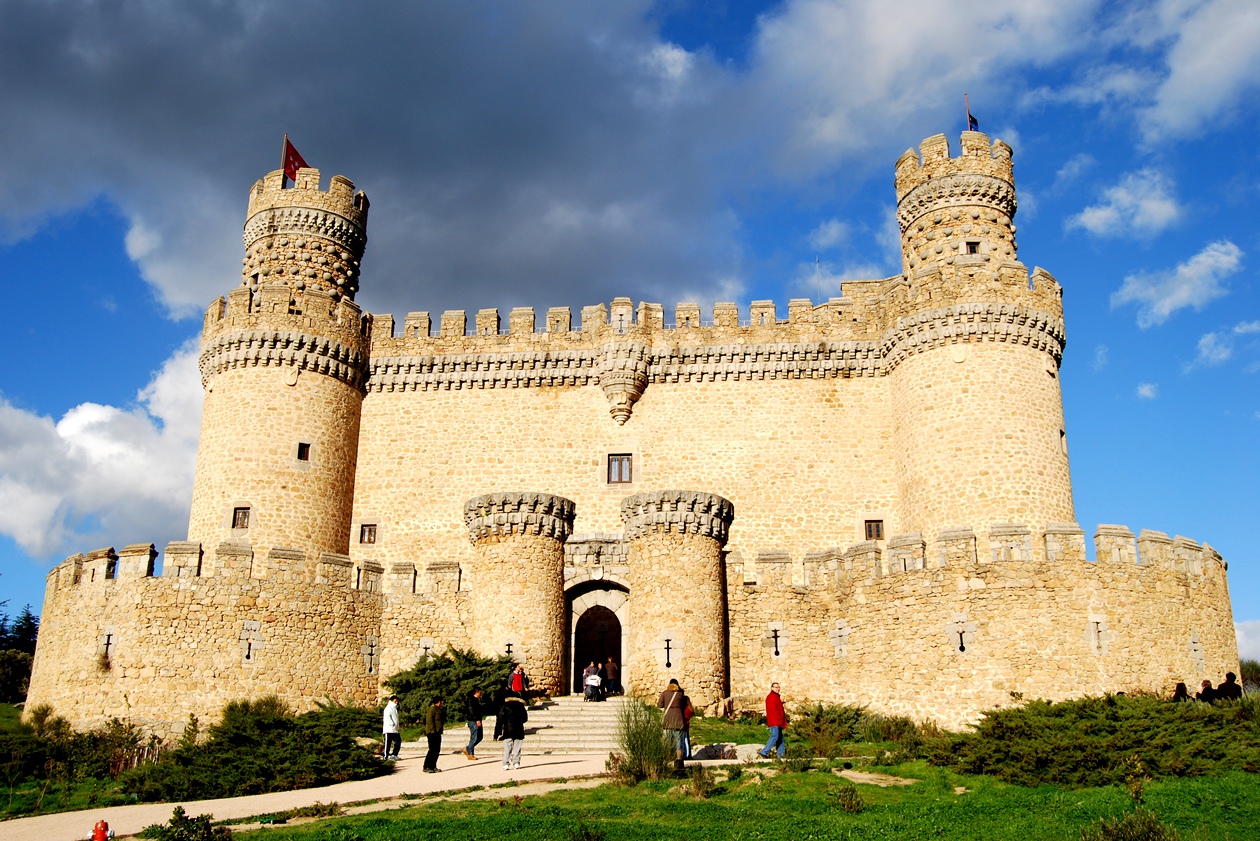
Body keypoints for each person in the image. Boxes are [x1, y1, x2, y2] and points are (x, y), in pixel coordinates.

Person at [495, 691, 529, 770]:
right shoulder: (521, 706)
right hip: (519, 728)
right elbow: (525, 719)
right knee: (517, 747)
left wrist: (497, 732)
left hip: (508, 729)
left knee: (507, 747)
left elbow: (500, 718)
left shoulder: (505, 706)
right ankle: (516, 762)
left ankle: (505, 763)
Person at [657, 679, 686, 769]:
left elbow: (659, 705)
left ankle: (667, 758)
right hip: (678, 719)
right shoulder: (680, 694)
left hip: (668, 719)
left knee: (668, 741)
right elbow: (683, 705)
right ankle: (678, 760)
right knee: (678, 742)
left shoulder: (665, 693)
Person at [758, 681, 787, 759]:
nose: (778, 689)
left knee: (780, 738)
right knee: (775, 736)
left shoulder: (776, 697)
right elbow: (774, 710)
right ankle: (764, 751)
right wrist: (779, 718)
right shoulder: (771, 697)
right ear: (772, 688)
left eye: (778, 687)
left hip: (778, 721)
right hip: (775, 721)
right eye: (776, 687)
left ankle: (781, 755)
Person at [423, 697, 445, 773]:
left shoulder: (438, 709)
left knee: (437, 750)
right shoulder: (432, 709)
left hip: (437, 732)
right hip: (432, 733)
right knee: (432, 749)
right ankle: (427, 766)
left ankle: (433, 766)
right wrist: (433, 730)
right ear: (439, 702)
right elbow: (429, 720)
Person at [463, 688, 484, 760]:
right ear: (476, 692)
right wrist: (476, 719)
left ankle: (468, 748)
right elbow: (471, 711)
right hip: (473, 721)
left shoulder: (476, 700)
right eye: (479, 692)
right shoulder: (471, 700)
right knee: (474, 737)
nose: (480, 694)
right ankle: (470, 754)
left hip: (477, 720)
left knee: (479, 737)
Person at [382, 695, 401, 761]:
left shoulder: (394, 709)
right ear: (391, 701)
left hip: (395, 730)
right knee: (388, 744)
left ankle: (394, 755)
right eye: (395, 701)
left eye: (397, 701)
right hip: (388, 730)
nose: (396, 702)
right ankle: (385, 756)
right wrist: (392, 724)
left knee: (398, 742)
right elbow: (387, 717)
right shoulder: (388, 708)